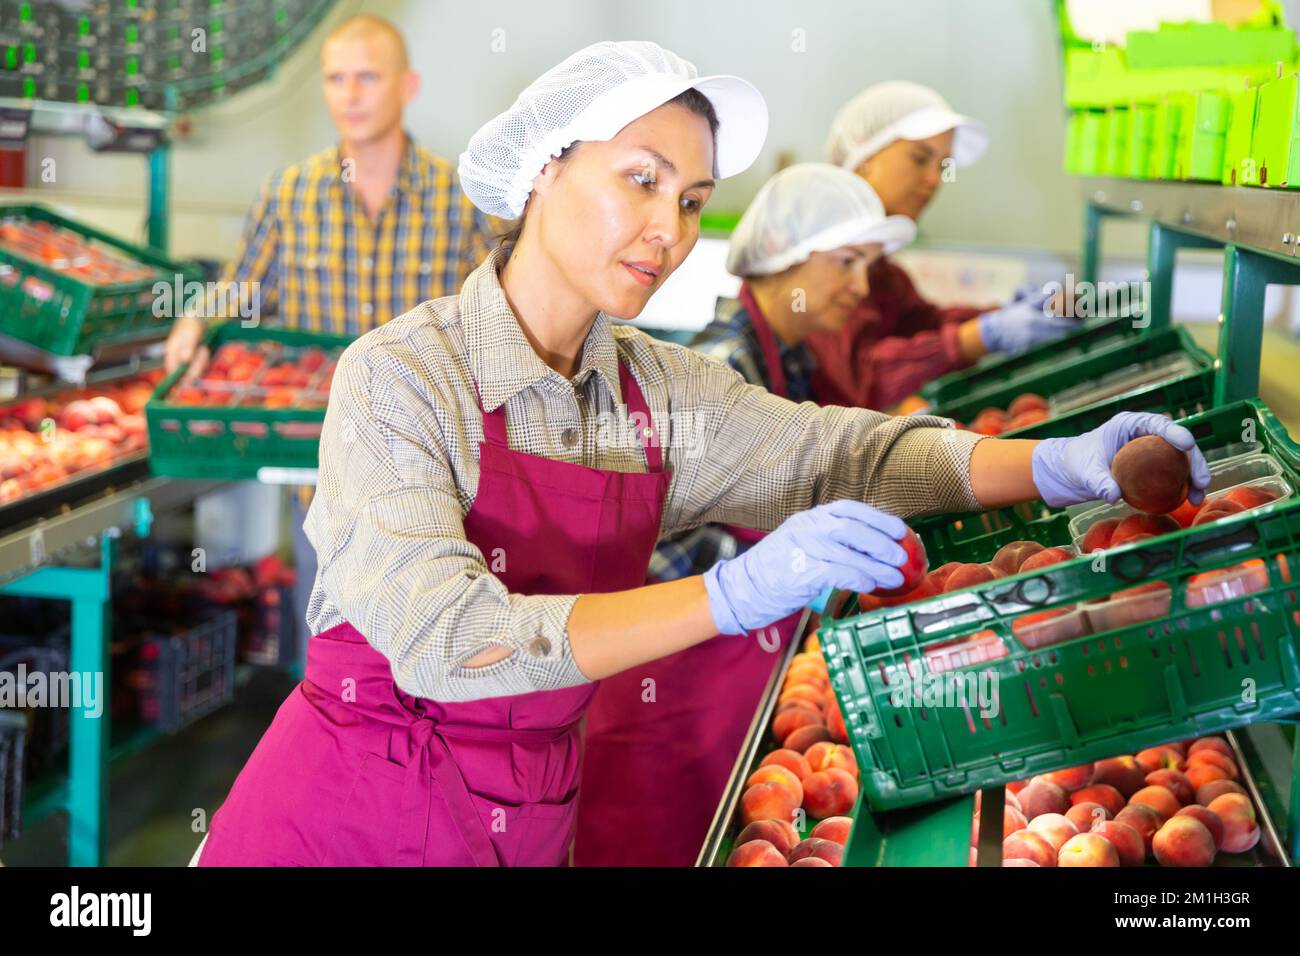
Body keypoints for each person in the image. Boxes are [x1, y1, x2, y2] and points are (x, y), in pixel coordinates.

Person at [193, 40, 1210, 867]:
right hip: (351, 815)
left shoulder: (649, 385)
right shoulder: (402, 376)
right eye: (638, 179)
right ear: (545, 168)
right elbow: (445, 637)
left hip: (531, 805)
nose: (666, 229)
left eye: (689, 199)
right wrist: (729, 596)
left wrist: (1046, 463)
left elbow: (832, 451)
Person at [575, 163, 916, 866]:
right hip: (660, 691)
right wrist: (757, 568)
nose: (860, 287)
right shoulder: (723, 367)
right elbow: (637, 549)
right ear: (785, 258)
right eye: (847, 263)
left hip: (711, 688)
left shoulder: (780, 361)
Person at [161, 14, 497, 667]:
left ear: (408, 85)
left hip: (432, 478)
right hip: (325, 482)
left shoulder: (461, 200)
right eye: (336, 78)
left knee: (435, 657)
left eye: (368, 77)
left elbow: (507, 307)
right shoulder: (291, 195)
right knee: (332, 662)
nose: (350, 94)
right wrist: (195, 322)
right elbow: (242, 288)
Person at [810, 81, 1078, 410]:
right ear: (865, 156)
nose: (934, 180)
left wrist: (1002, 314)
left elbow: (922, 324)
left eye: (942, 166)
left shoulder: (883, 274)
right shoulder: (823, 255)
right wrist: (982, 336)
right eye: (920, 159)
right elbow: (861, 379)